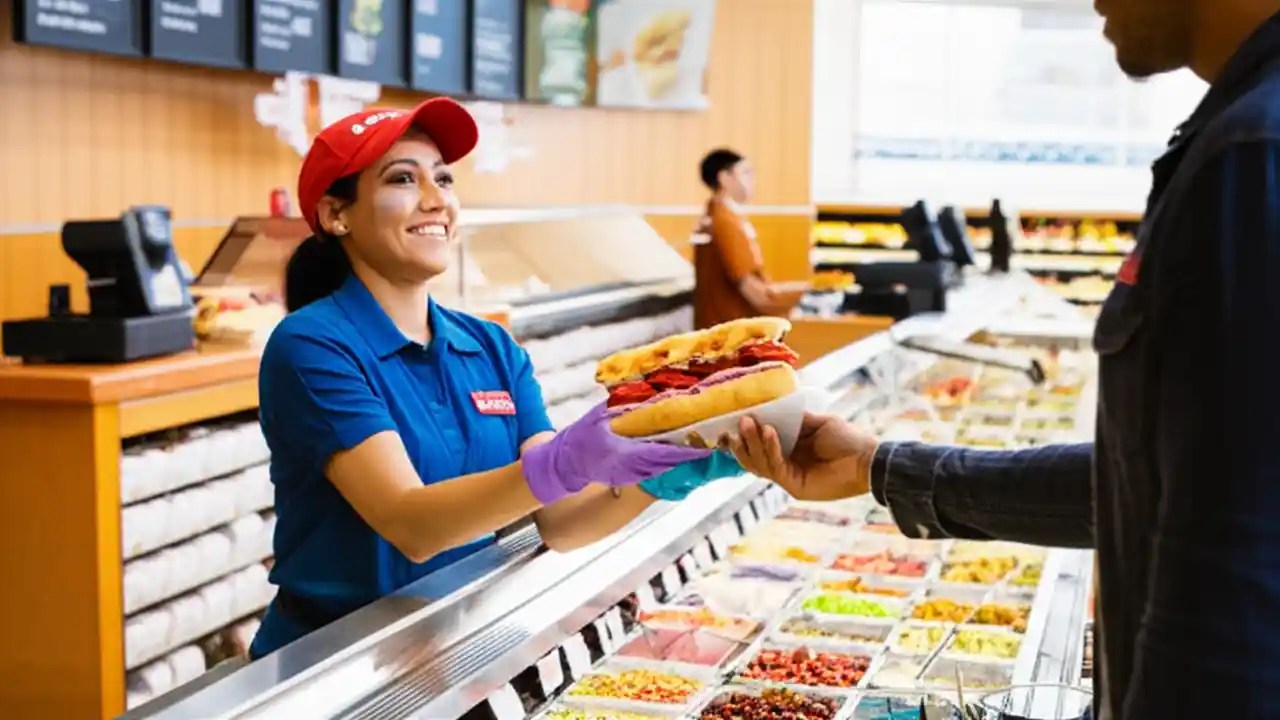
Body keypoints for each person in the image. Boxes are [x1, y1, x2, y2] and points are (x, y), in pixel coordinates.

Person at [733, 2, 1280, 717]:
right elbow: (1158, 481)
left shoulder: (1251, 153)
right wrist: (880, 467)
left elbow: (1230, 595)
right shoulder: (1239, 137)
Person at [250, 98, 741, 659]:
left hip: (456, 648)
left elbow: (561, 521)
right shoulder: (313, 345)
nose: (436, 200)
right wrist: (563, 462)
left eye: (443, 178)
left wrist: (674, 469)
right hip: (337, 662)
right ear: (338, 215)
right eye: (403, 179)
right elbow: (413, 525)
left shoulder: (490, 347)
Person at [692, 149, 793, 329]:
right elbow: (755, 294)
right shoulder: (724, 222)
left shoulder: (723, 217)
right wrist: (802, 298)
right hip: (731, 330)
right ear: (724, 177)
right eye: (746, 173)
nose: (752, 180)